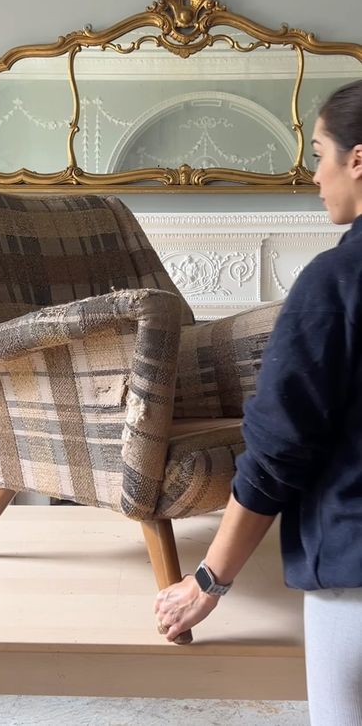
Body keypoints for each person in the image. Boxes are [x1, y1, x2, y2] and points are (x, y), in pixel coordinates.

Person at [155, 80, 362, 726]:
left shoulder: (333, 285)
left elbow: (275, 455)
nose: (314, 176)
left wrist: (208, 582)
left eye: (321, 153)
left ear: (360, 160)